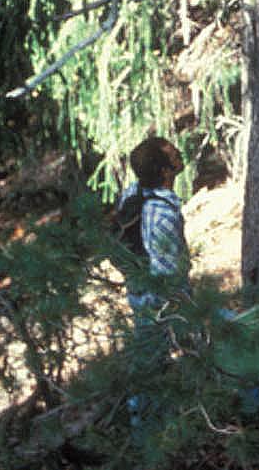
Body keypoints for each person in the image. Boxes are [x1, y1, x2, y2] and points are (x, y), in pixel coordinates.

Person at [113, 137, 189, 427]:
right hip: (158, 302)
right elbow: (167, 277)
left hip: (139, 295)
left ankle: (147, 425)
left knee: (149, 363)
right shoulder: (162, 216)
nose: (179, 153)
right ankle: (146, 434)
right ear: (164, 171)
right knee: (151, 365)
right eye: (173, 153)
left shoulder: (135, 194)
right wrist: (190, 312)